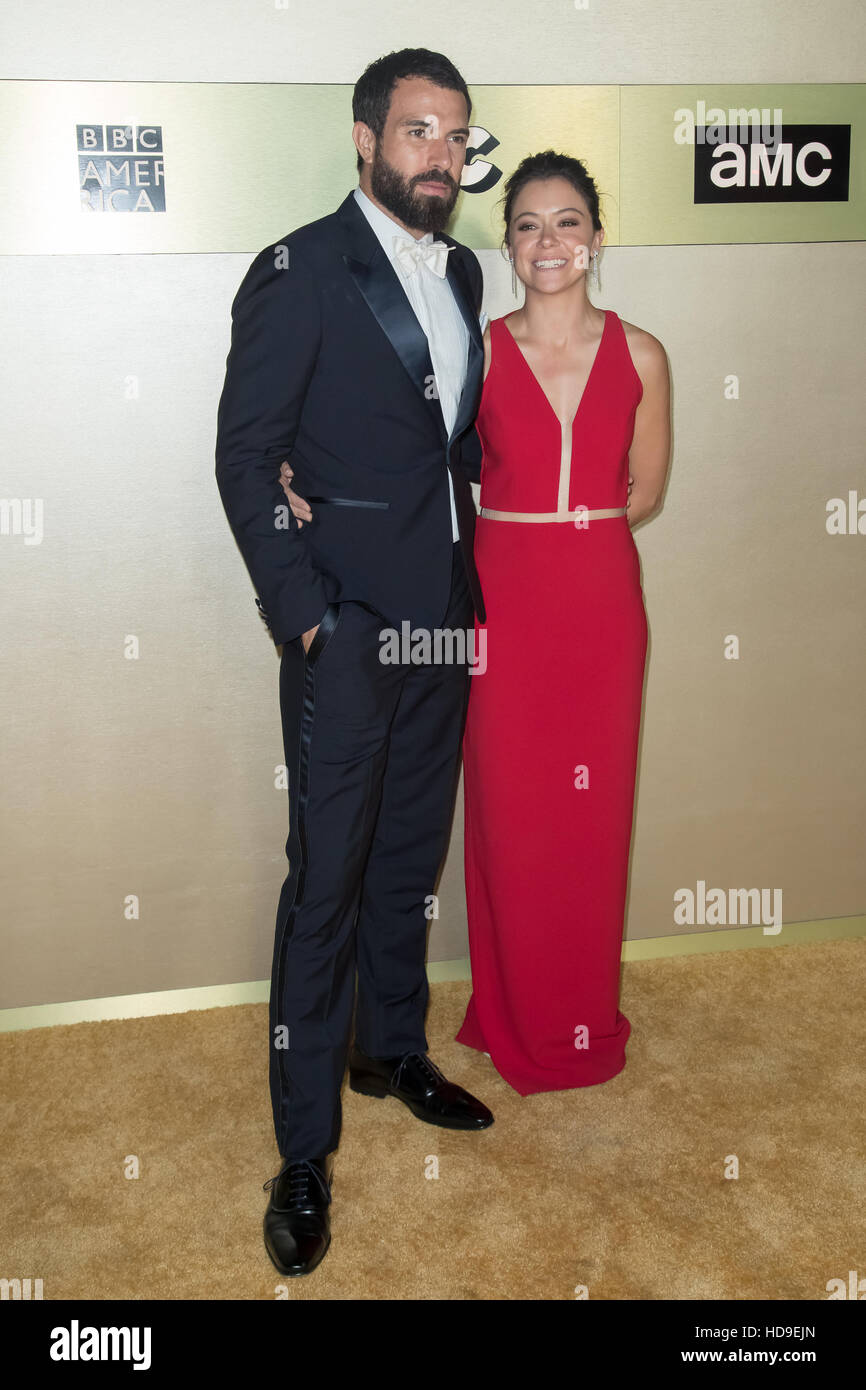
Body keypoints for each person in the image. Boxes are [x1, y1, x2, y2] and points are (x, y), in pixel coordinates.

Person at [283, 149, 671, 1099]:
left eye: (568, 221)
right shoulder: (480, 345)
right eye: (530, 224)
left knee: (593, 818)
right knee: (509, 819)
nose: (550, 240)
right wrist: (306, 482)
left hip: (602, 608)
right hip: (501, 604)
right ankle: (511, 1014)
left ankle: (581, 1013)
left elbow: (644, 494)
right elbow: (402, 449)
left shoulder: (646, 353)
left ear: (596, 236)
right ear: (507, 243)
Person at [214, 48, 494, 1280]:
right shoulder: (299, 270)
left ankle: (391, 1048)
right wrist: (308, 616)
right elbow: (243, 455)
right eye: (418, 131)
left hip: (442, 621)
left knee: (403, 857)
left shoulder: (466, 268)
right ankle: (302, 1149)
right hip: (349, 634)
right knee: (322, 879)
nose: (439, 154)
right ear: (363, 137)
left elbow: (445, 445)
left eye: (454, 136)